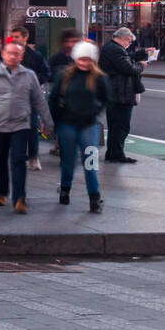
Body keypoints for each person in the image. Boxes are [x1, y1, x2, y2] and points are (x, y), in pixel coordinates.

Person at [0, 41, 53, 215]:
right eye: (10, 53)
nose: (13, 56)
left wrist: (47, 122)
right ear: (3, 54)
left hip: (20, 124)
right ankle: (1, 192)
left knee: (18, 161)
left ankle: (19, 199)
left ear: (21, 56)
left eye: (17, 54)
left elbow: (39, 100)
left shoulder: (29, 75)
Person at [49, 40, 109, 214]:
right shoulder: (63, 76)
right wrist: (56, 121)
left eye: (88, 60)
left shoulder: (99, 78)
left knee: (91, 163)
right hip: (67, 125)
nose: (85, 63)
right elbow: (53, 99)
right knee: (68, 161)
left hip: (88, 125)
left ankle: (94, 198)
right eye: (81, 59)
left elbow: (106, 98)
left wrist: (95, 110)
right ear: (75, 58)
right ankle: (65, 189)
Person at [99, 27, 148, 164]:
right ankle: (116, 154)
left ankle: (113, 153)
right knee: (121, 126)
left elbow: (126, 59)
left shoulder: (111, 47)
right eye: (130, 41)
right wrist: (141, 65)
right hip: (120, 94)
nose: (130, 44)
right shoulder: (115, 49)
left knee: (115, 125)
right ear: (125, 38)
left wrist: (142, 53)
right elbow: (129, 68)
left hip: (115, 93)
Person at [9, 26, 51, 171]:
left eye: (17, 36)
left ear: (25, 38)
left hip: (30, 96)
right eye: (13, 36)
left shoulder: (35, 55)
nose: (14, 39)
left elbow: (46, 72)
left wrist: (31, 81)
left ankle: (33, 156)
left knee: (32, 127)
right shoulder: (9, 54)